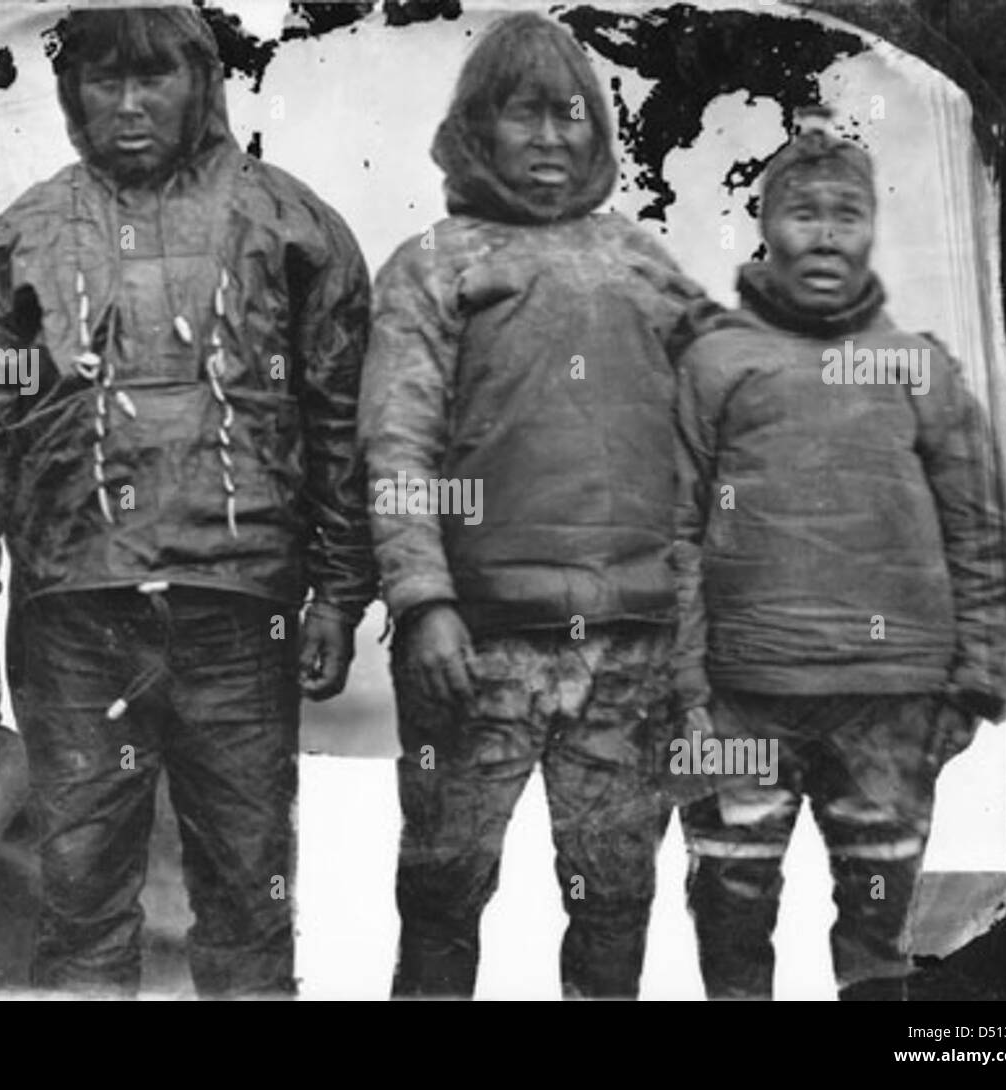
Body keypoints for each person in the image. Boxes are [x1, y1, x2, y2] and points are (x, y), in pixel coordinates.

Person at [0, 8, 375, 997]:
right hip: (75, 616)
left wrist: (340, 591)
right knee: (79, 896)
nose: (128, 104)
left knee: (251, 895)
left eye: (154, 77)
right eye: (102, 79)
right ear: (70, 91)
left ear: (203, 80)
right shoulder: (17, 244)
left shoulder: (292, 227)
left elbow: (342, 418)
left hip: (237, 612)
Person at [359, 12, 707, 999]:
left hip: (631, 652)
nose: (551, 138)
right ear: (478, 128)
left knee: (614, 900)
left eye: (571, 117)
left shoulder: (645, 265)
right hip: (478, 650)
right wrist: (423, 601)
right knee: (441, 892)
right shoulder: (435, 265)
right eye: (524, 114)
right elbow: (397, 443)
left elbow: (724, 425)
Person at [672, 124, 1006, 1000]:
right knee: (731, 906)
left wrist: (971, 685)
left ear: (871, 231)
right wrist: (680, 700)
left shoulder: (919, 369)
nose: (824, 235)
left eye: (847, 215)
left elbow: (979, 534)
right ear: (765, 224)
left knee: (877, 930)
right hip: (738, 709)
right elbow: (667, 535)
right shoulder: (715, 361)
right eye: (802, 213)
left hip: (892, 711)